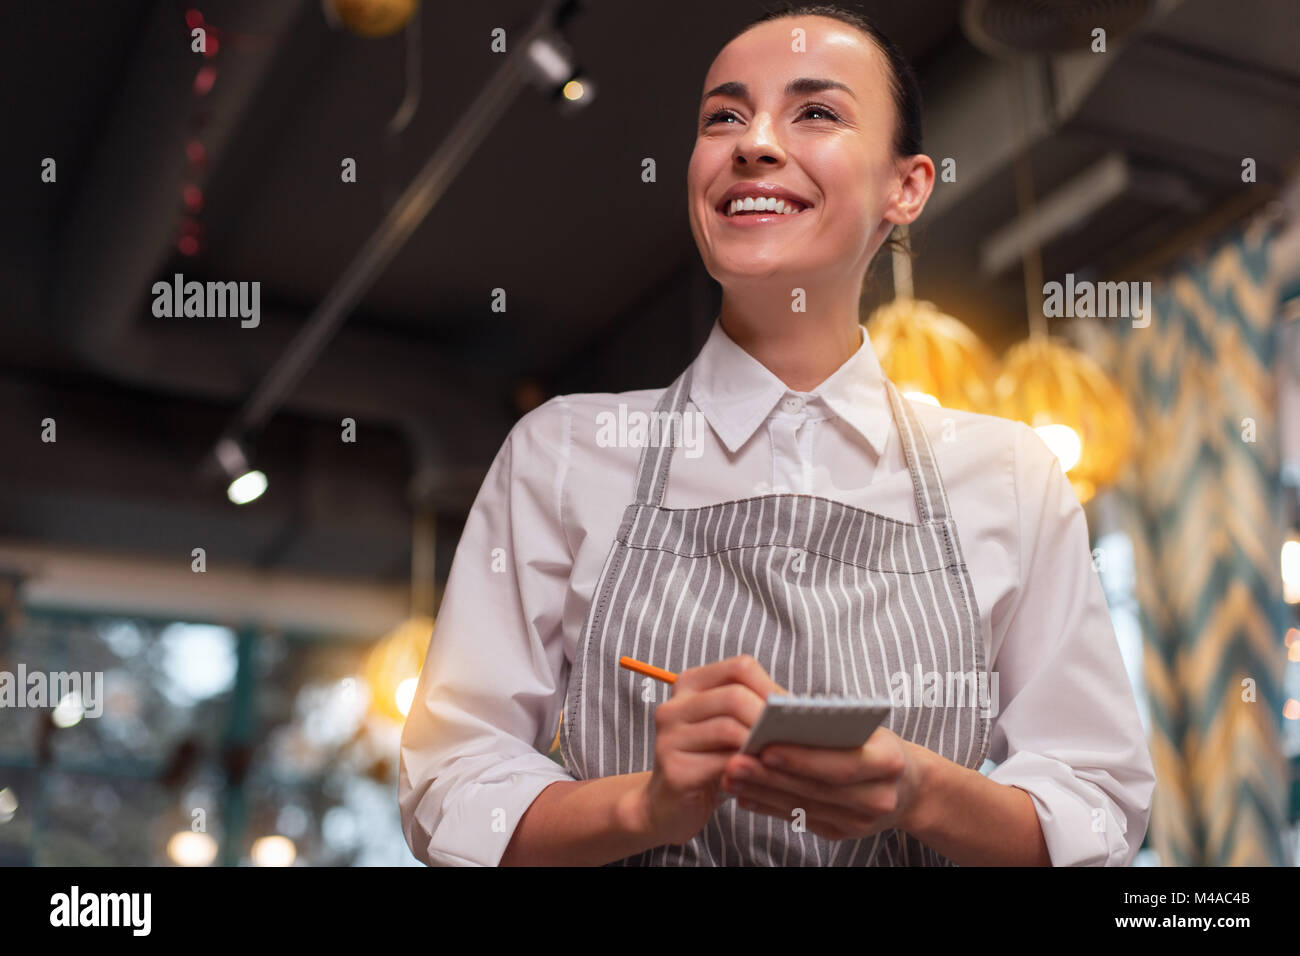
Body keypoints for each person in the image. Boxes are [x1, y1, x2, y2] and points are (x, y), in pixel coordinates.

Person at [398, 3, 1155, 866]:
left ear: (906, 187)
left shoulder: (1011, 474)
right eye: (724, 116)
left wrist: (919, 787)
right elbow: (450, 788)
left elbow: (1097, 812)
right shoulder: (563, 452)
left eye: (817, 112)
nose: (752, 142)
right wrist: (646, 807)